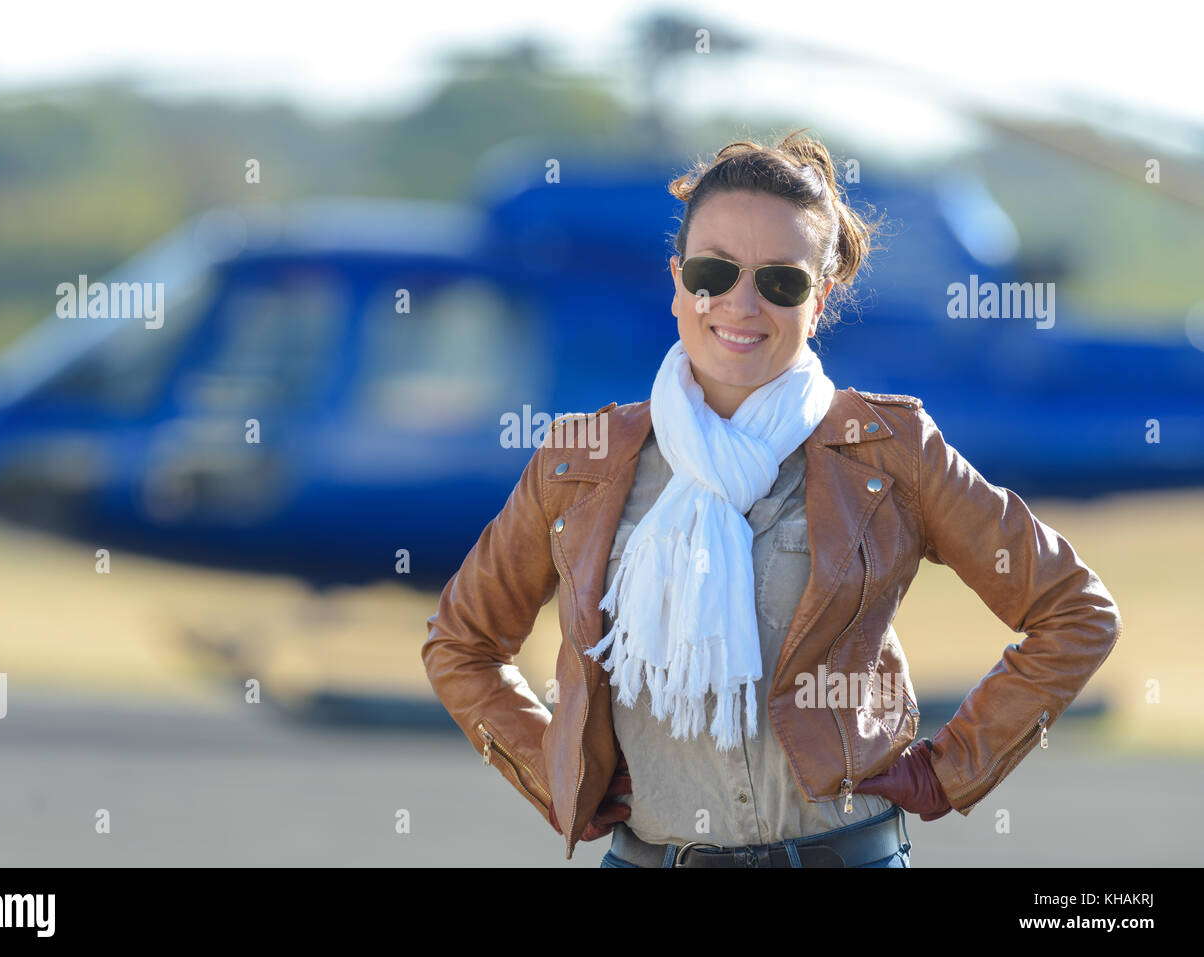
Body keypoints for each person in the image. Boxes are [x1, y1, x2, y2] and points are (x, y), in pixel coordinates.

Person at [422, 129, 1122, 868]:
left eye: (780, 281)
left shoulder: (892, 448)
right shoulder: (578, 461)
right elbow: (461, 644)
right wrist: (556, 773)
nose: (740, 302)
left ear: (819, 300)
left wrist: (948, 768)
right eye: (713, 272)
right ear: (677, 281)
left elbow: (1074, 611)